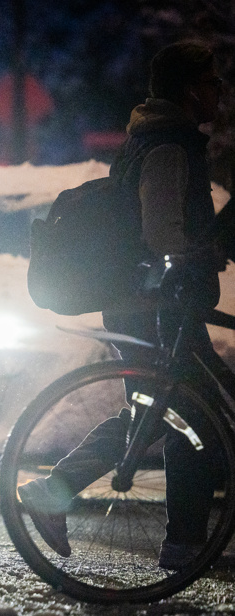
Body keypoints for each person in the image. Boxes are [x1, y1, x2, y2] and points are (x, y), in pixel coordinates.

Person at [18, 41, 228, 570]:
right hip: (158, 302)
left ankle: (61, 491)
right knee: (192, 416)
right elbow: (161, 229)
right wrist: (185, 262)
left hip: (145, 299)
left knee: (163, 413)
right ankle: (183, 543)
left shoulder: (150, 138)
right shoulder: (168, 146)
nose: (220, 92)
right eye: (211, 82)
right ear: (187, 90)